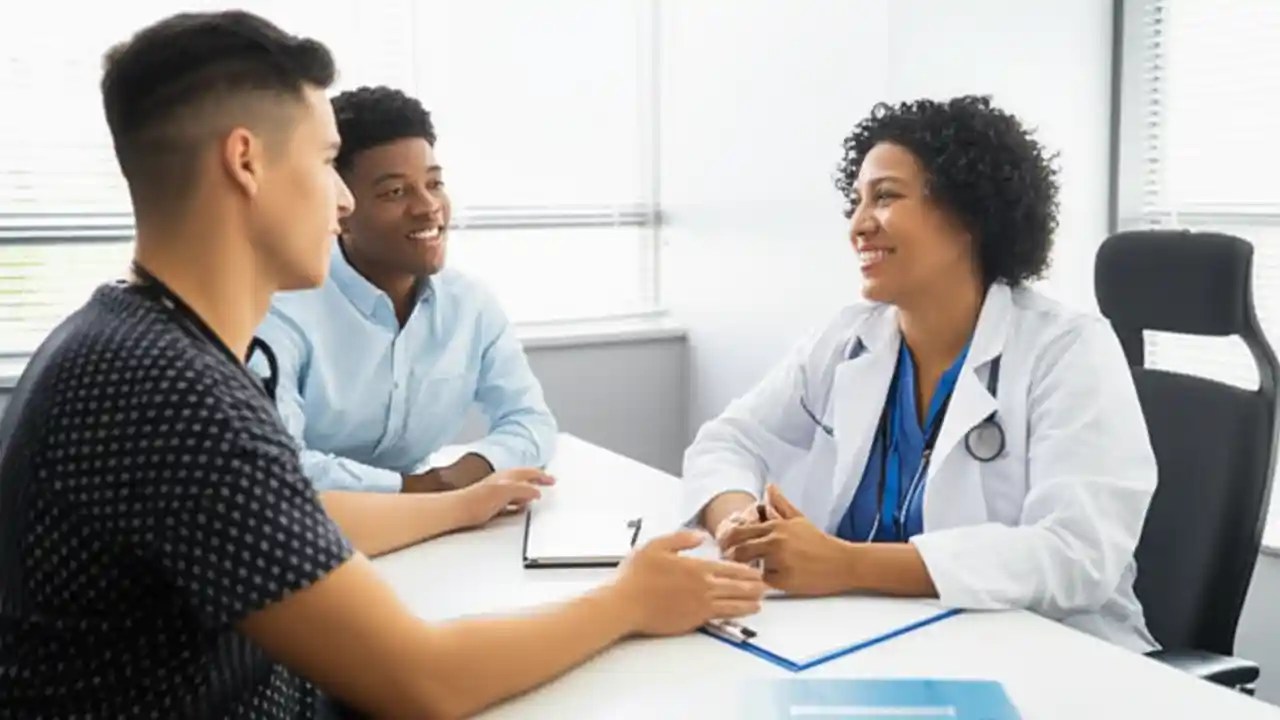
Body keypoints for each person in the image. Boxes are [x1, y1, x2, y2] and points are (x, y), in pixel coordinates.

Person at [0, 12, 765, 718]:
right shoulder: (174, 394)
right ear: (246, 162)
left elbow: (295, 514)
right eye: (330, 162)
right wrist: (629, 601)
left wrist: (457, 503)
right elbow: (420, 681)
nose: (340, 201)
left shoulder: (127, 335)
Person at [682, 95, 1159, 653]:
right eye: (856, 202)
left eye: (884, 197)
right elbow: (727, 440)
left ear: (968, 218)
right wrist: (741, 524)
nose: (859, 225)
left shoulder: (1067, 350)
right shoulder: (849, 340)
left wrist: (847, 564)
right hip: (882, 639)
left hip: (1055, 654)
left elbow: (1074, 555)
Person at [251, 85, 556, 497]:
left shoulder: (470, 306)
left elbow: (531, 420)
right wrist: (413, 489)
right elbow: (279, 462)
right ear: (340, 205)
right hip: (315, 530)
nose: (428, 206)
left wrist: (465, 473)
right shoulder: (280, 310)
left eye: (434, 183)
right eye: (395, 192)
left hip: (436, 525)